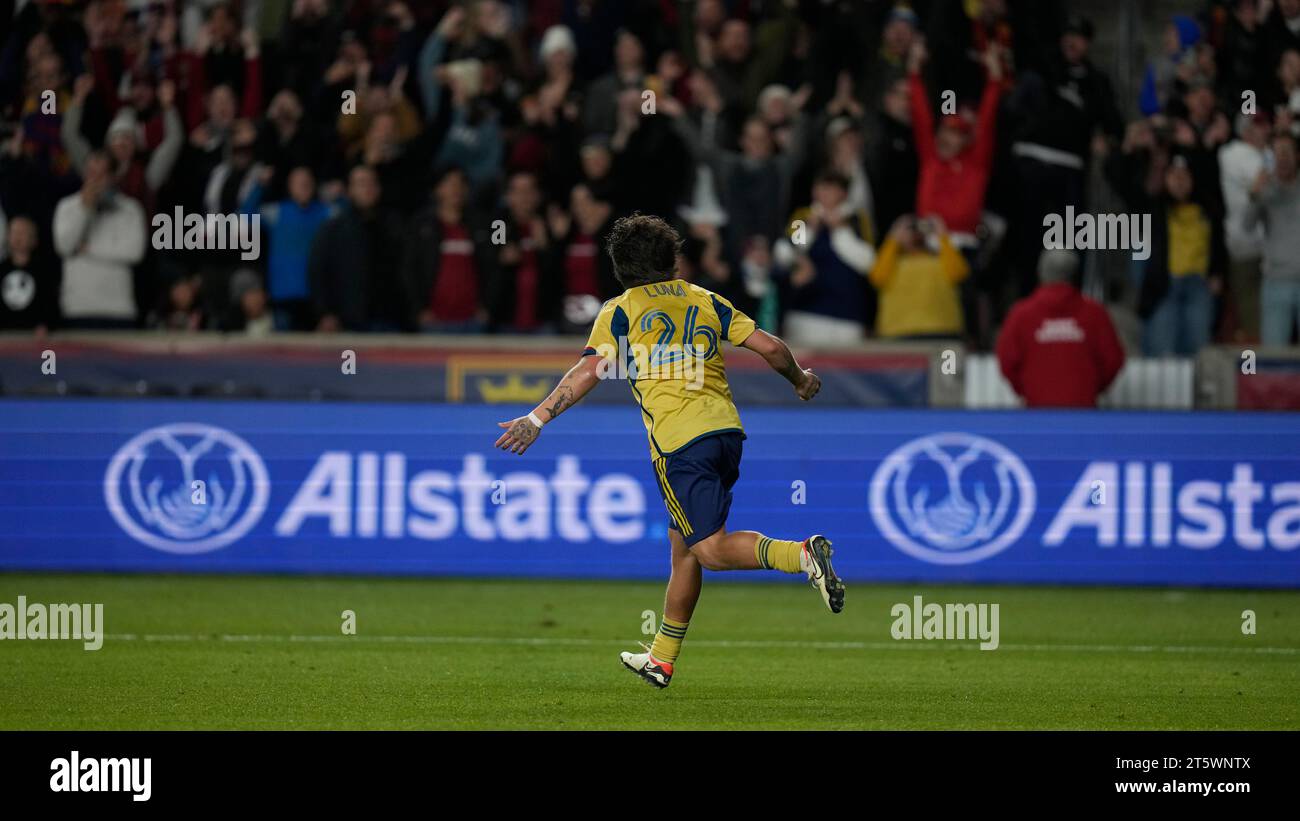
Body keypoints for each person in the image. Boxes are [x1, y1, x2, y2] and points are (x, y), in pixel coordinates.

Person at [492, 214, 845, 689]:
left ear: (620, 267)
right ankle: (661, 657)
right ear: (672, 259)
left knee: (712, 551)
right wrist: (800, 379)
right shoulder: (706, 298)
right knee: (685, 551)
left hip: (680, 444)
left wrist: (536, 420)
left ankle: (802, 554)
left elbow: (589, 372)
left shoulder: (620, 310)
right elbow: (771, 347)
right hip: (726, 433)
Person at [996, 250, 1126, 408]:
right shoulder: (1095, 314)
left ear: (1041, 273)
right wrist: (1091, 387)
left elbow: (1006, 361)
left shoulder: (1021, 314)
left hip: (1036, 413)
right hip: (1083, 413)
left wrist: (1027, 389)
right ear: (1074, 274)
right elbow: (1113, 359)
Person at [51, 150, 147, 328]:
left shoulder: (131, 209)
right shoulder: (67, 207)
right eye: (91, 173)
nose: (95, 180)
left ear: (112, 177)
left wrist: (88, 249)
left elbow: (134, 252)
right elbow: (64, 246)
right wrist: (84, 209)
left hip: (119, 310)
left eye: (101, 174)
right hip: (77, 309)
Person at [869, 214, 969, 339]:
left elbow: (959, 274)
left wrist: (942, 235)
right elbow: (877, 277)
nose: (916, 234)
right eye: (911, 230)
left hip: (942, 331)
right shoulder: (891, 263)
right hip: (899, 333)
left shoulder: (943, 261)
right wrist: (894, 238)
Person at [1251, 132, 1300, 344]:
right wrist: (1255, 195)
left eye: (1287, 152)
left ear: (1297, 155)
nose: (1282, 158)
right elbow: (1246, 225)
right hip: (1275, 282)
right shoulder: (1264, 190)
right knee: (1273, 358)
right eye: (1277, 153)